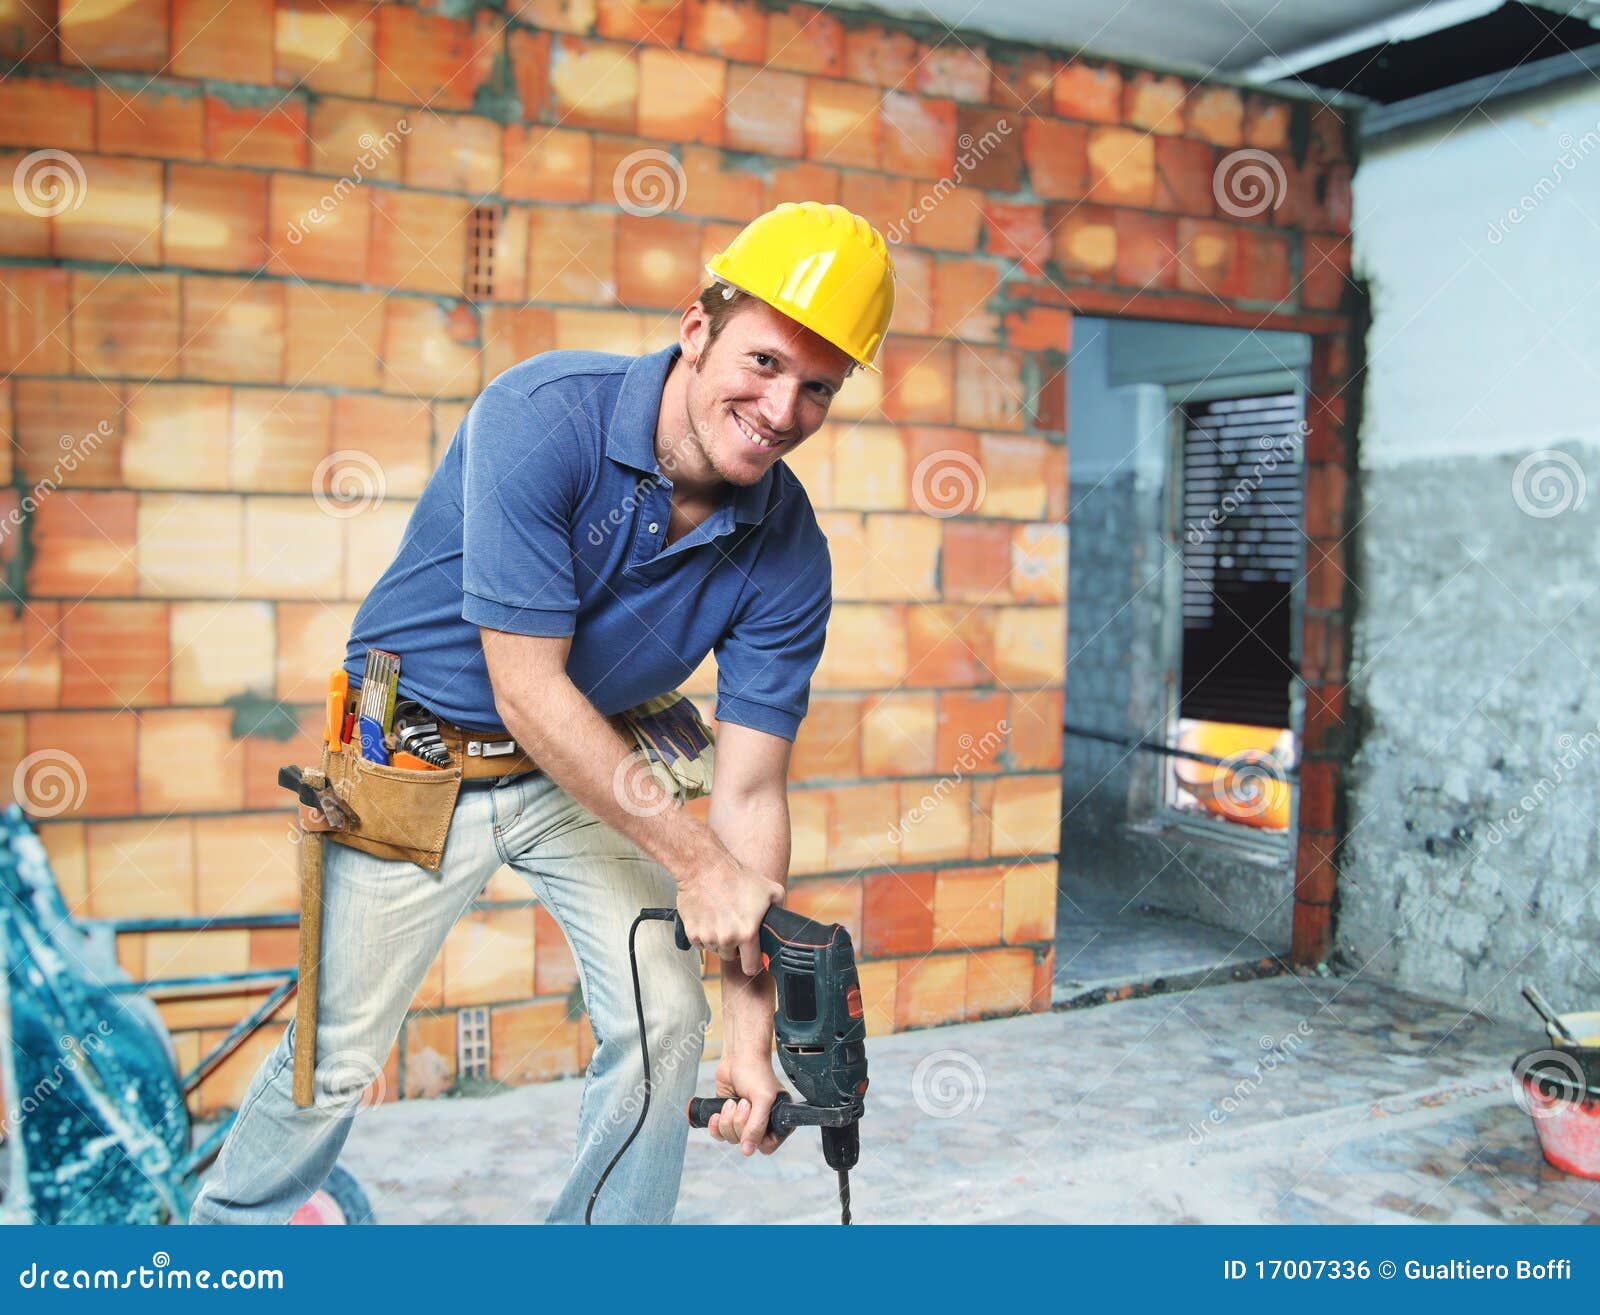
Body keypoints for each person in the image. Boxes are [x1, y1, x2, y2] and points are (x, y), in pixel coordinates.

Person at [189, 202, 896, 1224]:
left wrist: (751, 1030)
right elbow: (524, 688)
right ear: (696, 328)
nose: (782, 409)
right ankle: (222, 1254)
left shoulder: (790, 550)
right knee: (336, 1053)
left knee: (666, 1024)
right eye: (765, 362)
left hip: (584, 766)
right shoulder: (542, 415)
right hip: (415, 748)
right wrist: (696, 863)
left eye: (819, 387)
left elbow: (749, 791)